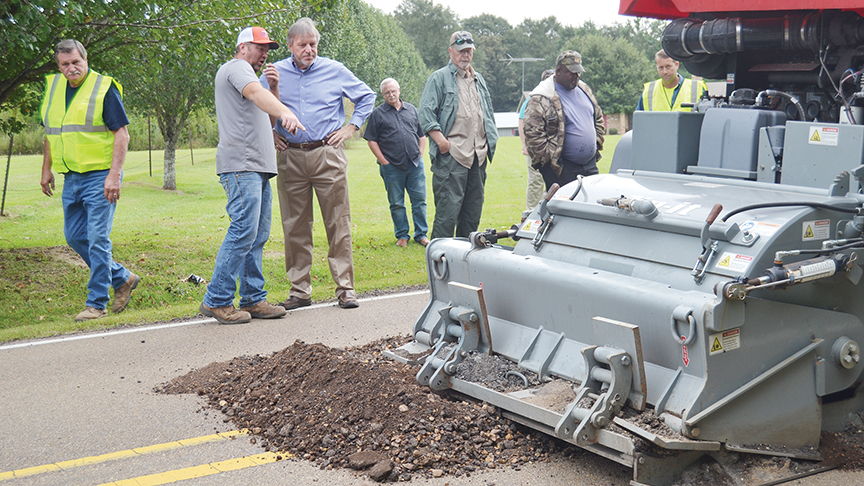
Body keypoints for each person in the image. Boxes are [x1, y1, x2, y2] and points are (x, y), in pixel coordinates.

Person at [267, 17, 376, 310]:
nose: (308, 50)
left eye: (313, 44)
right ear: (290, 45)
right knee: (295, 225)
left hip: (327, 153)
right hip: (290, 155)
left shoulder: (335, 70)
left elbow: (367, 96)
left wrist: (351, 127)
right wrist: (269, 133)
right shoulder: (275, 72)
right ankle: (299, 290)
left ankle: (345, 289)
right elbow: (257, 105)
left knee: (338, 222)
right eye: (302, 45)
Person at [200, 27, 305, 325]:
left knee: (256, 235)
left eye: (268, 49)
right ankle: (217, 299)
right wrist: (286, 110)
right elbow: (256, 95)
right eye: (260, 48)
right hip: (241, 165)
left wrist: (274, 91)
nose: (265, 54)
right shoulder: (236, 68)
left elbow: (265, 114)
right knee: (243, 230)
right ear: (243, 47)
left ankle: (253, 297)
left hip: (258, 165)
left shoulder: (255, 79)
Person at [39, 39, 140, 322]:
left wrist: (114, 176)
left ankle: (96, 303)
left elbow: (122, 134)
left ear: (85, 59)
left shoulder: (103, 88)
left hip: (100, 176)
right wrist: (46, 169)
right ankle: (122, 277)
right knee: (74, 236)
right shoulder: (54, 89)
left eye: (76, 62)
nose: (71, 68)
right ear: (58, 66)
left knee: (97, 238)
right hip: (70, 176)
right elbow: (51, 133)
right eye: (65, 64)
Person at [418, 31, 498, 239]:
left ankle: (464, 262)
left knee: (472, 214)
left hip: (477, 157)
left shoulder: (478, 79)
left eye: (469, 51)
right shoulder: (439, 78)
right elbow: (425, 114)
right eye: (461, 50)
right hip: (452, 157)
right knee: (447, 215)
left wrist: (489, 143)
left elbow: (487, 113)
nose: (465, 55)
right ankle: (439, 264)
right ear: (451, 51)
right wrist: (442, 143)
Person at [523, 51, 605, 190]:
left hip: (589, 165)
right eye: (572, 72)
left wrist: (595, 144)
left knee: (592, 206)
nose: (576, 76)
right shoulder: (541, 97)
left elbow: (597, 117)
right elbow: (533, 135)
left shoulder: (584, 89)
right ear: (559, 71)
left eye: (578, 72)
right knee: (566, 209)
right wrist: (549, 166)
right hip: (561, 170)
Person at [363, 78, 429, 248]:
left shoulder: (412, 110)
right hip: (392, 167)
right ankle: (402, 236)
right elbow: (371, 140)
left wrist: (420, 154)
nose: (391, 95)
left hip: (415, 165)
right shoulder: (378, 114)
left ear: (399, 91)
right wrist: (384, 162)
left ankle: (421, 234)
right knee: (397, 203)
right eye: (387, 92)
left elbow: (421, 135)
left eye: (393, 91)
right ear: (383, 95)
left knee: (419, 201)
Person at [518, 69, 554, 210]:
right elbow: (522, 120)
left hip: (552, 146)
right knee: (536, 180)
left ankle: (549, 209)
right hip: (535, 146)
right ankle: (532, 211)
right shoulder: (532, 98)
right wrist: (525, 144)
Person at [636, 49, 708, 112]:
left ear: (677, 65)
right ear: (656, 67)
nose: (665, 72)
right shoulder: (648, 91)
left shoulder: (697, 88)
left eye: (668, 66)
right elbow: (639, 121)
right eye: (661, 67)